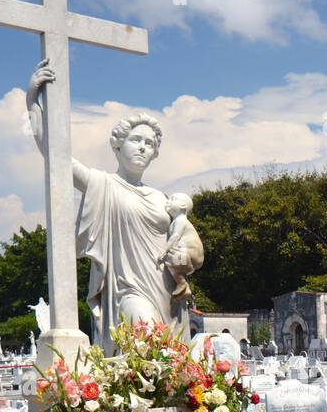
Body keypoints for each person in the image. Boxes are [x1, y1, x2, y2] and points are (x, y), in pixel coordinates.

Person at [26, 59, 199, 351]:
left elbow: (191, 247)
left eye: (149, 143)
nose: (143, 146)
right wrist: (32, 99)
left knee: (169, 362)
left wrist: (186, 257)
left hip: (167, 293)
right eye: (135, 139)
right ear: (117, 145)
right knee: (144, 344)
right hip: (128, 290)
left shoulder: (163, 200)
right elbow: (55, 154)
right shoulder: (102, 184)